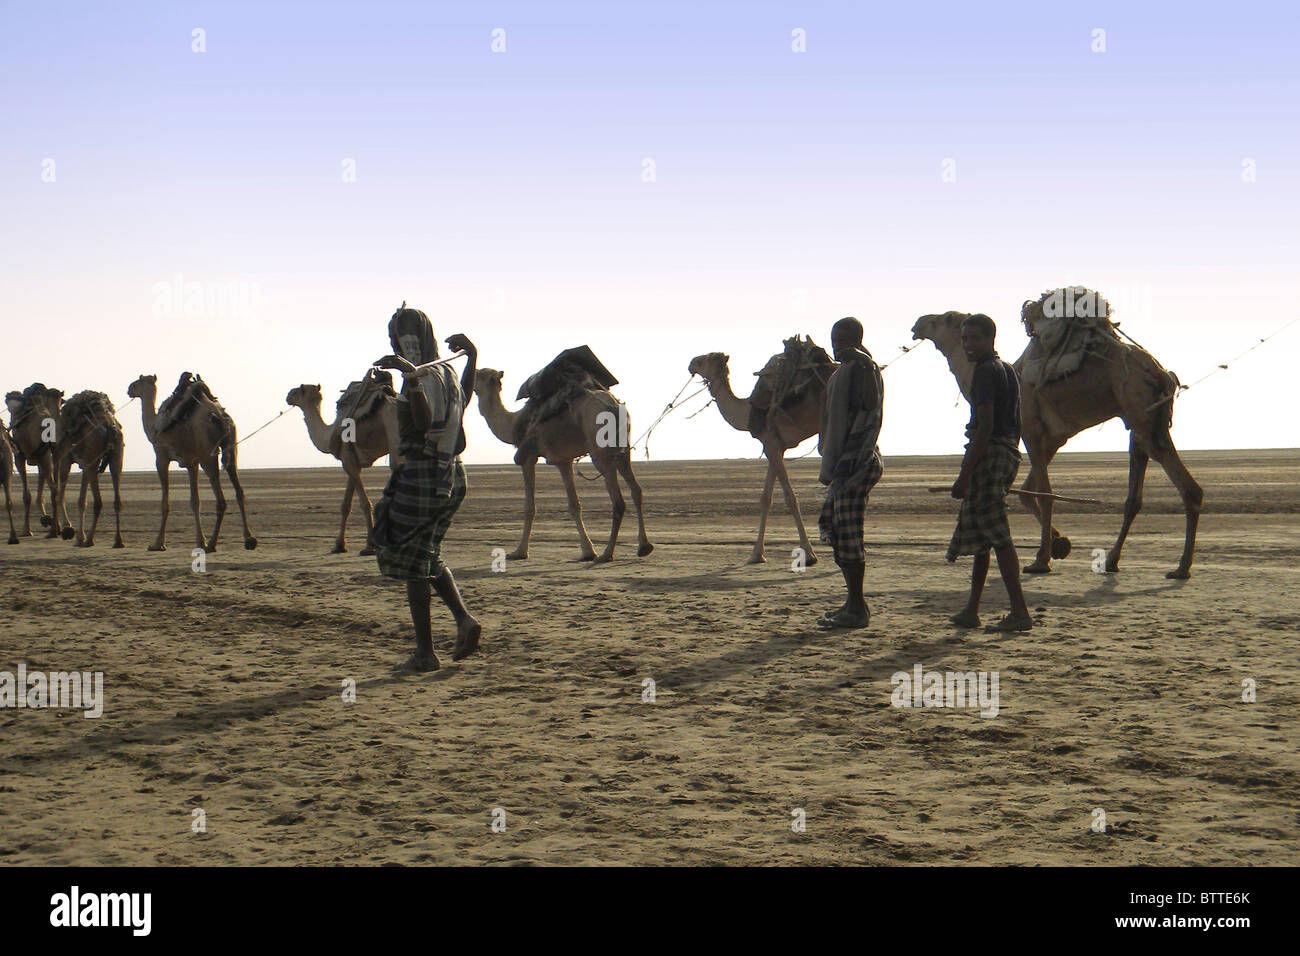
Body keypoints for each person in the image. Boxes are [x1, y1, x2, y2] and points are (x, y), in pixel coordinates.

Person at [373, 304, 482, 670]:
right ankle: (464, 621)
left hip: (425, 477)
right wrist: (472, 361)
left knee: (412, 561)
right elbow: (463, 402)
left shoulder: (420, 376)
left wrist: (412, 380)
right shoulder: (448, 372)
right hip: (452, 474)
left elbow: (421, 422)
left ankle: (425, 653)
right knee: (427, 554)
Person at [946, 313, 1033, 633]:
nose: (969, 345)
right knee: (984, 536)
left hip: (991, 454)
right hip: (1007, 452)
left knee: (998, 535)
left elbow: (983, 427)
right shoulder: (1008, 370)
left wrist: (965, 474)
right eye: (965, 339)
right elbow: (1018, 421)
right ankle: (972, 610)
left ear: (990, 339)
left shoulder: (984, 372)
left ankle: (1020, 612)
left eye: (975, 339)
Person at [816, 317, 884, 629]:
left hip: (857, 462)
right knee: (835, 525)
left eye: (842, 338)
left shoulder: (864, 369)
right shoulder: (844, 371)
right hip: (844, 464)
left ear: (856, 339)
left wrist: (864, 361)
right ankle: (852, 603)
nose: (837, 343)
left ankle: (857, 608)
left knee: (849, 535)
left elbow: (870, 404)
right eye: (834, 337)